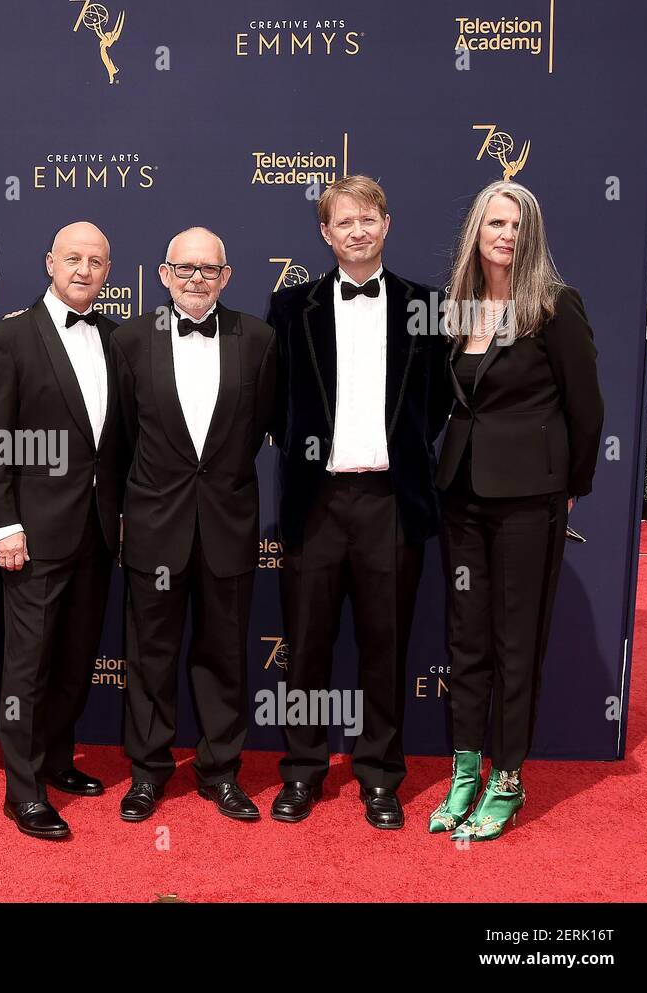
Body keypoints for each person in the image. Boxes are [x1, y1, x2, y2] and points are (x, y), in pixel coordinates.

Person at [266, 175, 451, 830]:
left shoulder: (426, 306)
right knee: (306, 648)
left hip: (390, 502)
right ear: (326, 232)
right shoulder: (291, 307)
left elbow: (438, 402)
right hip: (316, 502)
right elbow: (275, 400)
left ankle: (380, 776)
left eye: (368, 218)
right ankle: (302, 770)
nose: (357, 231)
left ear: (387, 224)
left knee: (386, 648)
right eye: (344, 221)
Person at [430, 180, 603, 841]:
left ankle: (507, 777)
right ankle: (464, 770)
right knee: (466, 639)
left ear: (532, 236)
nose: (505, 235)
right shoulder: (458, 308)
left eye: (517, 225)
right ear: (476, 231)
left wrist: (569, 485)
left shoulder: (554, 306)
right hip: (462, 495)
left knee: (515, 640)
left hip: (530, 500)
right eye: (495, 223)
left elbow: (586, 409)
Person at [111, 227, 276, 823]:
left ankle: (220, 772)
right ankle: (148, 773)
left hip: (228, 525)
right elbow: (122, 436)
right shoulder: (131, 340)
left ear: (226, 276)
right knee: (148, 657)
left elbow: (260, 427)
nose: (197, 279)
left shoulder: (258, 340)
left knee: (224, 656)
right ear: (164, 274)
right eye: (185, 268)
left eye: (209, 269)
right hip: (155, 525)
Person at [0, 221, 121, 839]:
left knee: (76, 656)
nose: (84, 270)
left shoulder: (114, 337)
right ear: (49, 263)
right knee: (28, 665)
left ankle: (57, 759)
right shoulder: (10, 337)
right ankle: (23, 790)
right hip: (30, 532)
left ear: (107, 271)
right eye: (73, 258)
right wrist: (2, 525)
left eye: (96, 261)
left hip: (98, 532)